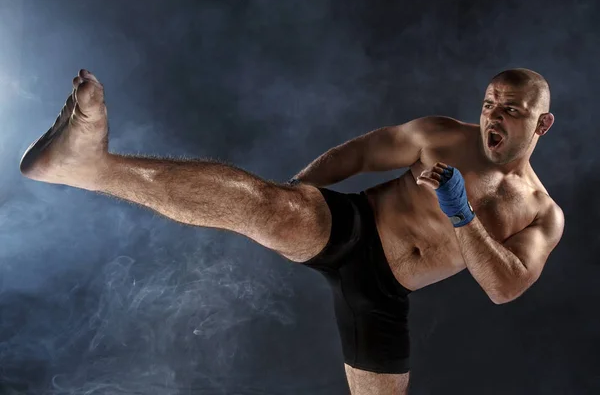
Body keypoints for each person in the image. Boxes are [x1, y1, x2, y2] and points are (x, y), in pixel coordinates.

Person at [20, 68, 564, 395]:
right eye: (489, 103)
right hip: (353, 228)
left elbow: (504, 286)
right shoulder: (441, 135)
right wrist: (287, 202)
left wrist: (461, 213)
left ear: (540, 124)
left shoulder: (542, 213)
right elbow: (359, 154)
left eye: (511, 110)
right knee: (271, 206)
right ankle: (84, 166)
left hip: (385, 299)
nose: (493, 115)